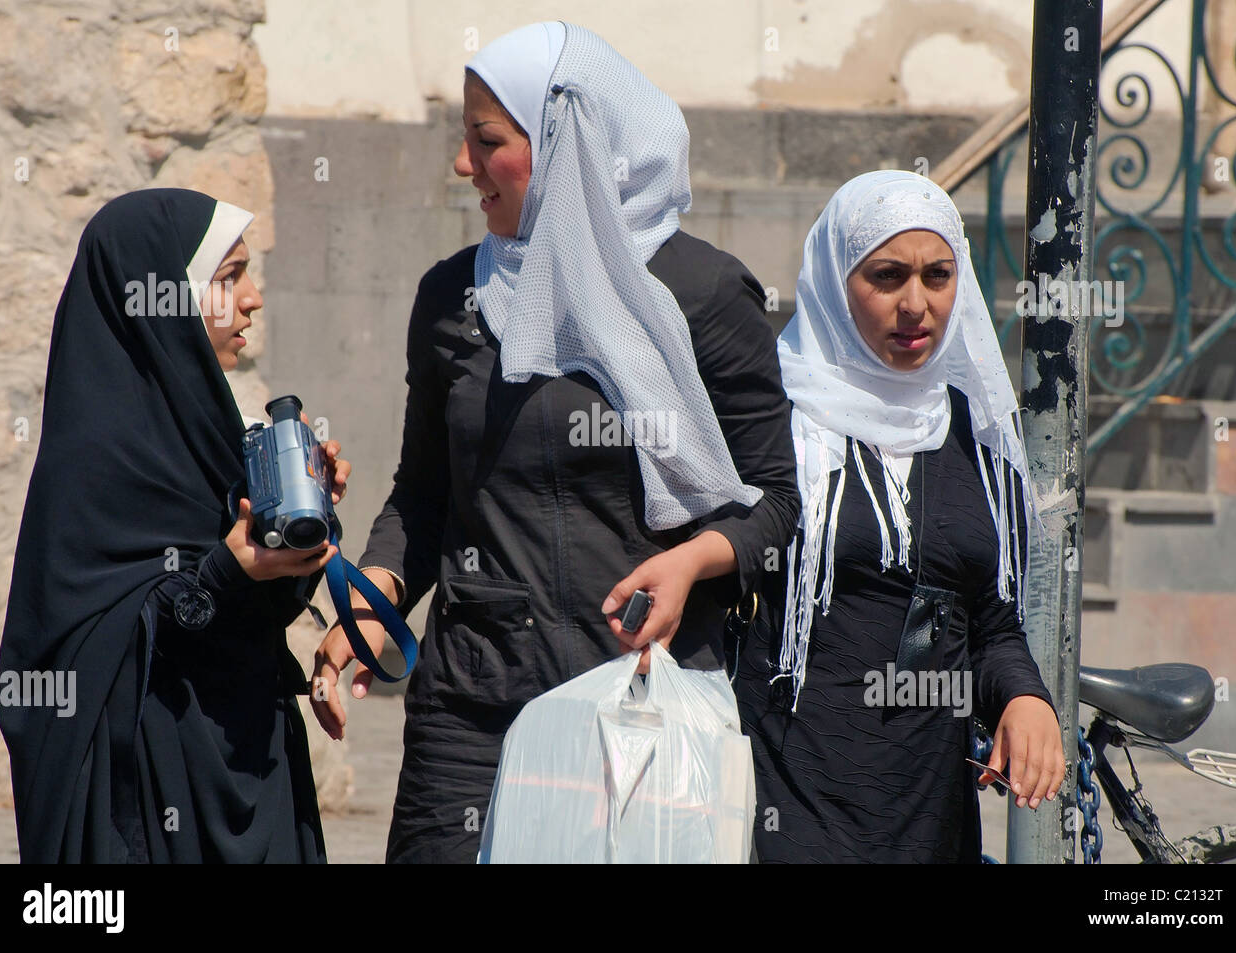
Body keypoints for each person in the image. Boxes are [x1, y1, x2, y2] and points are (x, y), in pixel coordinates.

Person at [309, 21, 801, 864]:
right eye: (463, 140)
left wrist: (689, 563)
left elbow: (776, 499)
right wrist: (370, 605)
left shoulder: (703, 295)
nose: (463, 166)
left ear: (568, 141)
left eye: (487, 141)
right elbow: (425, 493)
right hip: (475, 706)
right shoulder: (450, 299)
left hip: (644, 701)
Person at [0, 188, 350, 863]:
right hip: (151, 810)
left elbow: (251, 610)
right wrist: (222, 574)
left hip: (252, 772)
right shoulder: (94, 461)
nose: (252, 298)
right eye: (228, 277)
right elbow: (77, 658)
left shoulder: (216, 435)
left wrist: (301, 532)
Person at [733, 170, 1064, 863]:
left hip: (927, 809)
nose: (916, 304)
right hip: (784, 794)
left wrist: (1026, 698)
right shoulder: (775, 417)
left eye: (938, 276)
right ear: (834, 278)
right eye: (886, 276)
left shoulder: (974, 433)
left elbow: (994, 626)